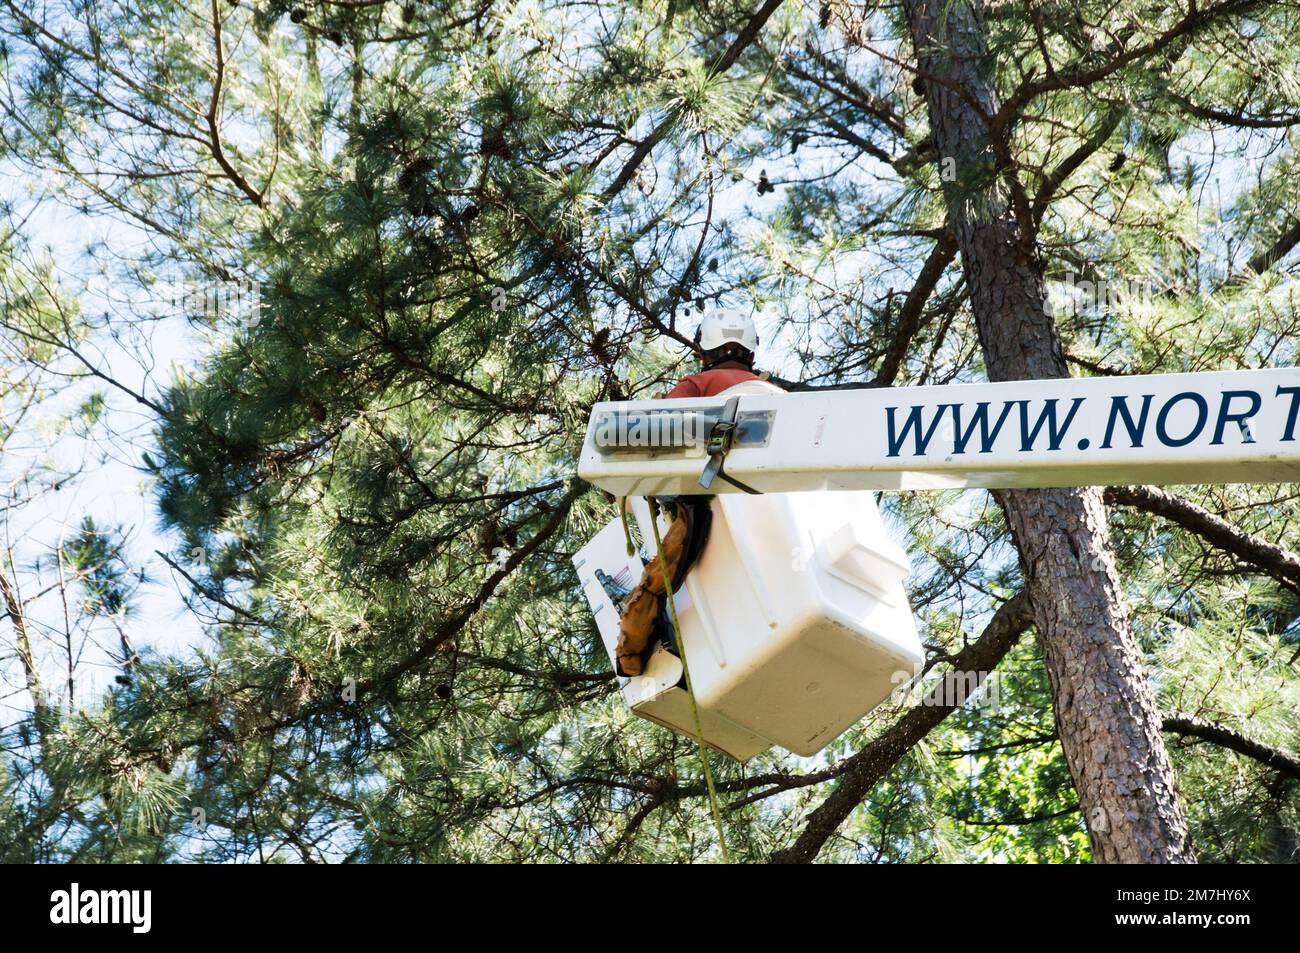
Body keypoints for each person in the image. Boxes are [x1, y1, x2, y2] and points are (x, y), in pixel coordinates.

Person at [614, 308, 770, 676]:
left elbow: (653, 440)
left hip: (704, 500)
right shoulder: (774, 391)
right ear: (751, 352)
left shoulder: (695, 385)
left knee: (662, 570)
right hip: (766, 503)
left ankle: (634, 649)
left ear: (704, 351)